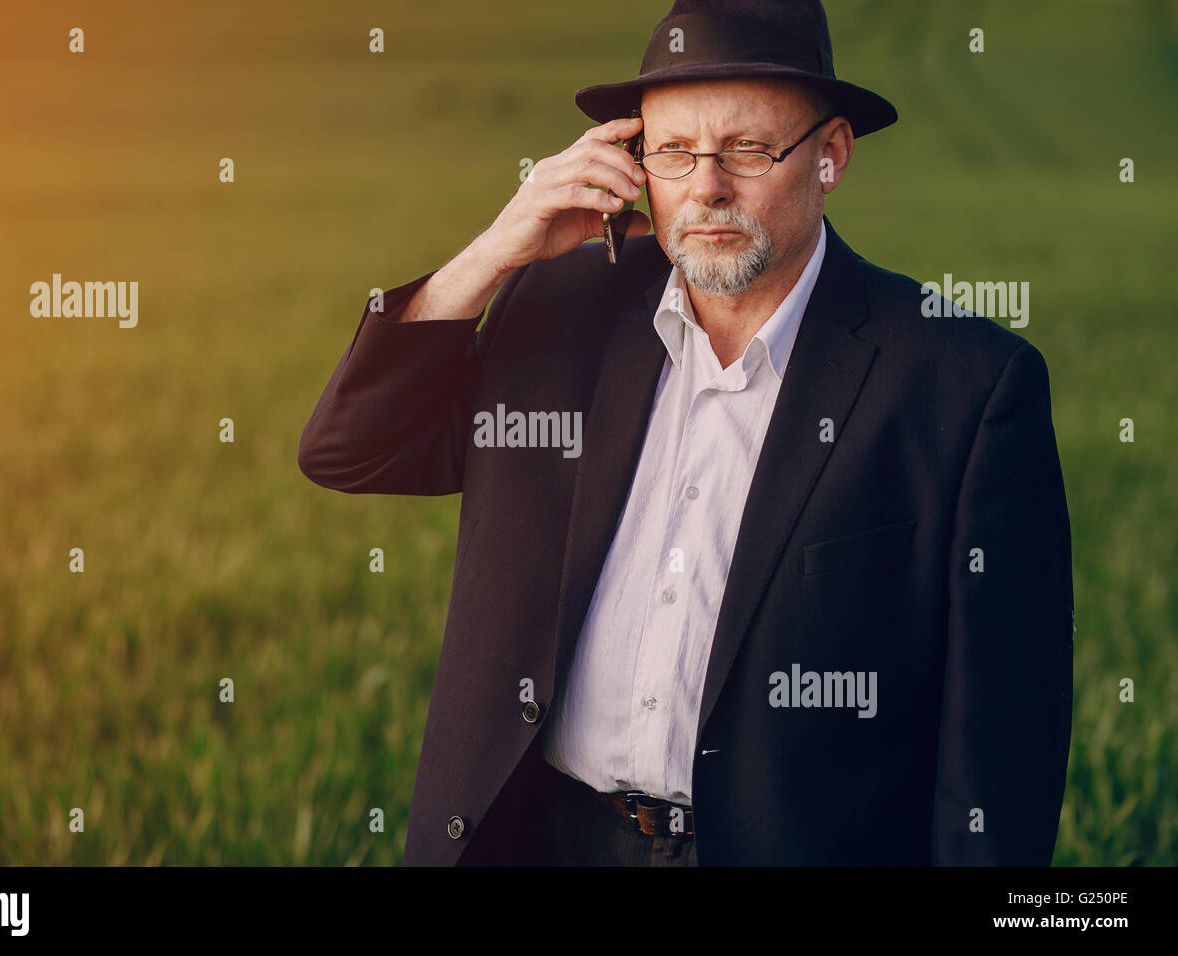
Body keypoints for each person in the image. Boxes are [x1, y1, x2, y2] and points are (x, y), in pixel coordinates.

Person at [298, 0, 1074, 866]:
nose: (706, 187)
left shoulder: (961, 383)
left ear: (831, 155)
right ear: (635, 161)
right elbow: (349, 448)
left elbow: (1001, 757)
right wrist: (494, 252)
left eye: (748, 148)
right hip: (547, 844)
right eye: (672, 151)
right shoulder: (556, 308)